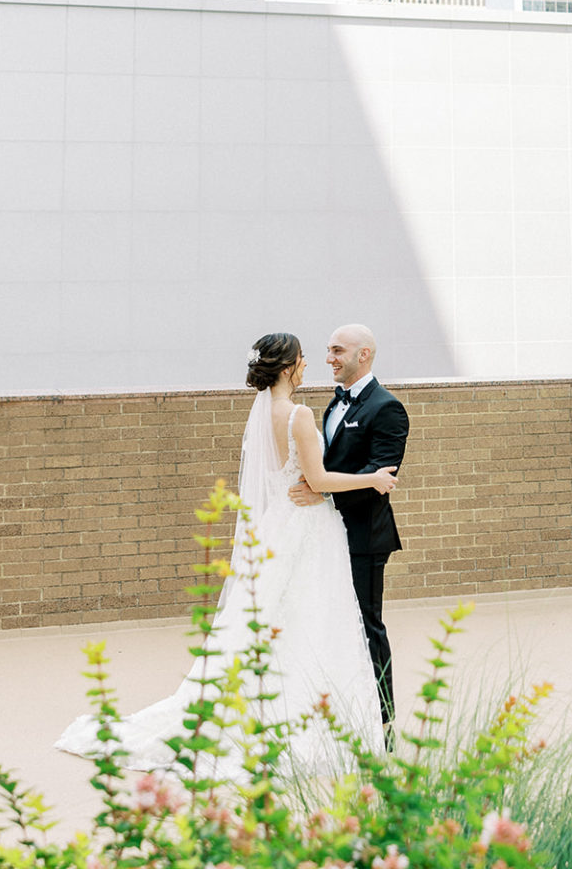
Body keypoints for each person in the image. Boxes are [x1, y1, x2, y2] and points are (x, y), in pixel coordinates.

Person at [54, 332, 397, 775]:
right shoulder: (299, 414)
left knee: (282, 619)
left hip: (281, 525)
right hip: (307, 527)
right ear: (288, 366)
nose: (310, 363)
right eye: (304, 357)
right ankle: (306, 717)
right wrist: (372, 479)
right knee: (311, 617)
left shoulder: (265, 413)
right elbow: (318, 479)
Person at [288, 324, 409, 746]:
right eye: (328, 350)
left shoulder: (387, 408)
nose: (329, 358)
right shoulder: (331, 405)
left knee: (367, 626)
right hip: (328, 534)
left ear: (364, 354)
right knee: (336, 624)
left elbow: (380, 474)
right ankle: (346, 713)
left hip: (364, 538)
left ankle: (384, 722)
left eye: (337, 350)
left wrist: (321, 490)